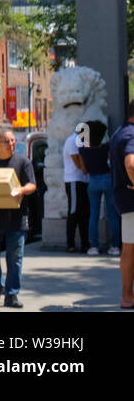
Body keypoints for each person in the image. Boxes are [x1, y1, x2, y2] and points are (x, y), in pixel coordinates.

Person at [0, 126, 35, 308]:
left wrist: (22, 189)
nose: (12, 144)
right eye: (7, 141)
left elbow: (32, 185)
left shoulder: (22, 162)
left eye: (13, 140)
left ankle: (11, 294)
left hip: (16, 219)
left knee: (15, 258)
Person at [77, 120, 120, 255]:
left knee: (93, 215)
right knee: (112, 214)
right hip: (107, 179)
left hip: (93, 181)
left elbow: (83, 170)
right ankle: (115, 246)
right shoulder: (107, 147)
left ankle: (94, 246)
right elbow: (111, 163)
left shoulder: (82, 150)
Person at [109, 100, 134, 309]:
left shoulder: (120, 132)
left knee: (129, 249)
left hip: (125, 200)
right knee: (130, 250)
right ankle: (127, 296)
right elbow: (131, 164)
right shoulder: (132, 134)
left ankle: (127, 296)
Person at [63, 122, 91, 252]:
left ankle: (85, 243)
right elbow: (79, 164)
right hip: (74, 179)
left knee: (84, 213)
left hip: (83, 180)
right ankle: (70, 244)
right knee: (74, 212)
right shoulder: (72, 141)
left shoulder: (81, 141)